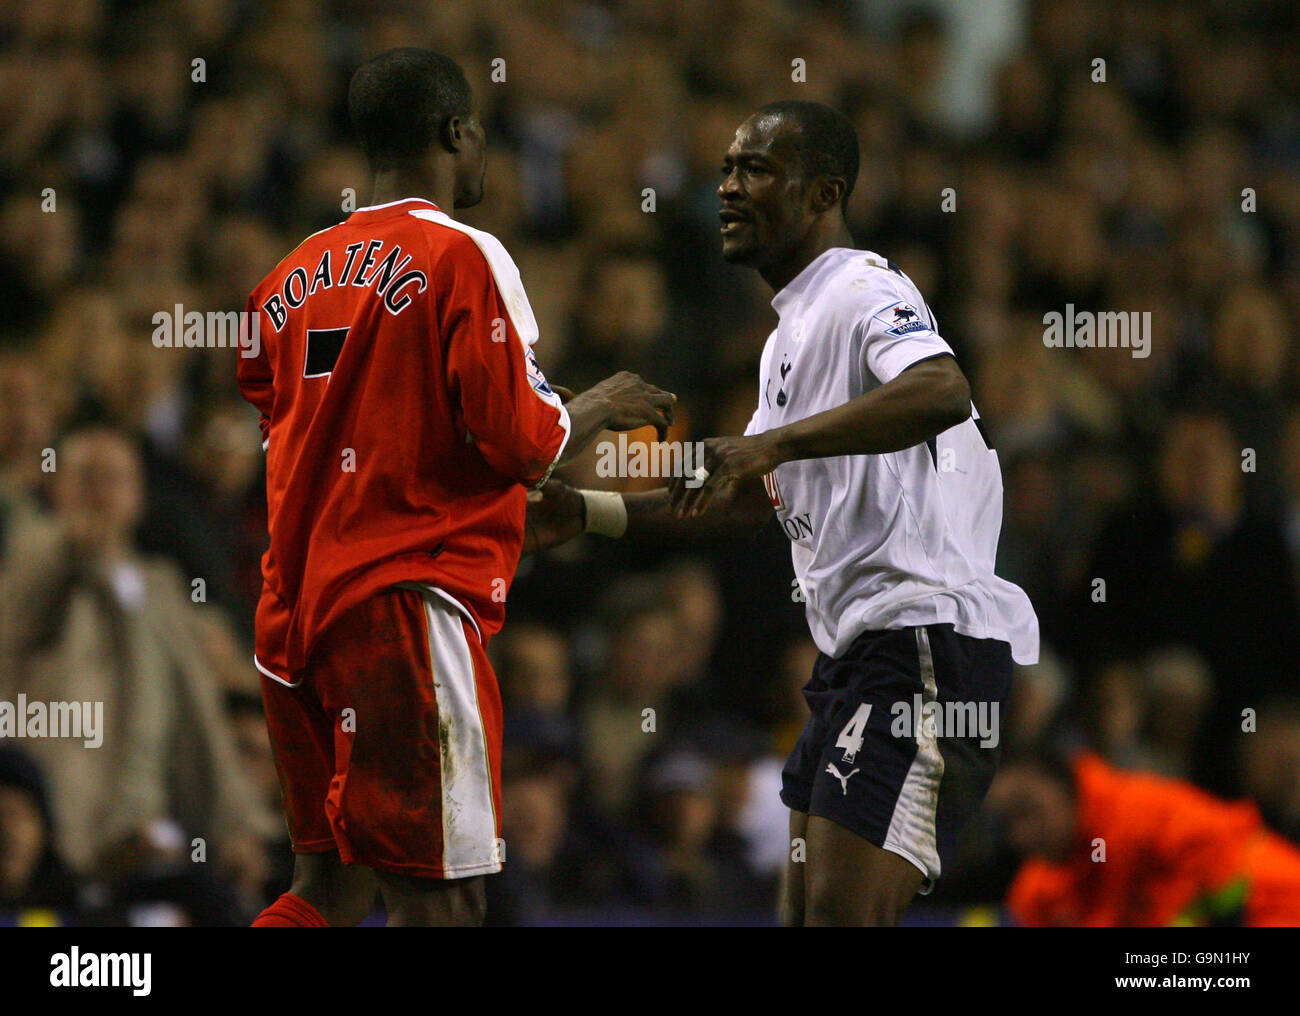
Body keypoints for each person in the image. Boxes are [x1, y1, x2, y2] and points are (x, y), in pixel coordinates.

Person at [528, 100, 1038, 925]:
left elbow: (943, 389)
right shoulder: (786, 336)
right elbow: (741, 501)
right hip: (857, 657)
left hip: (924, 642)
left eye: (756, 169)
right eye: (728, 167)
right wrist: (588, 512)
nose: (728, 186)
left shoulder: (862, 286)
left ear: (822, 193)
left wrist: (773, 445)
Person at [238, 48, 675, 927]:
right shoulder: (461, 254)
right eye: (479, 134)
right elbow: (526, 439)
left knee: (331, 885)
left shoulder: (283, 279)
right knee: (448, 900)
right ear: (455, 132)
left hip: (294, 618)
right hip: (402, 612)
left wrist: (492, 509)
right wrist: (602, 402)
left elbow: (314, 436)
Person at [988, 751, 1300, 926]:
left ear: (1063, 786)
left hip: (1277, 902)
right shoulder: (1036, 892)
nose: (1021, 836)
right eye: (1008, 824)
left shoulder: (1137, 811)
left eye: (1028, 811)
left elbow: (1220, 859)